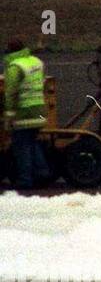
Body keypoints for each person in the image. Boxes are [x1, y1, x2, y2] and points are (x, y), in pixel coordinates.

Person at [3, 38, 51, 190]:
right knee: (32, 143)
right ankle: (43, 172)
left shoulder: (15, 67)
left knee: (21, 146)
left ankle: (25, 180)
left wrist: (8, 117)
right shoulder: (37, 62)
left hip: (24, 113)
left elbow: (11, 94)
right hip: (39, 110)